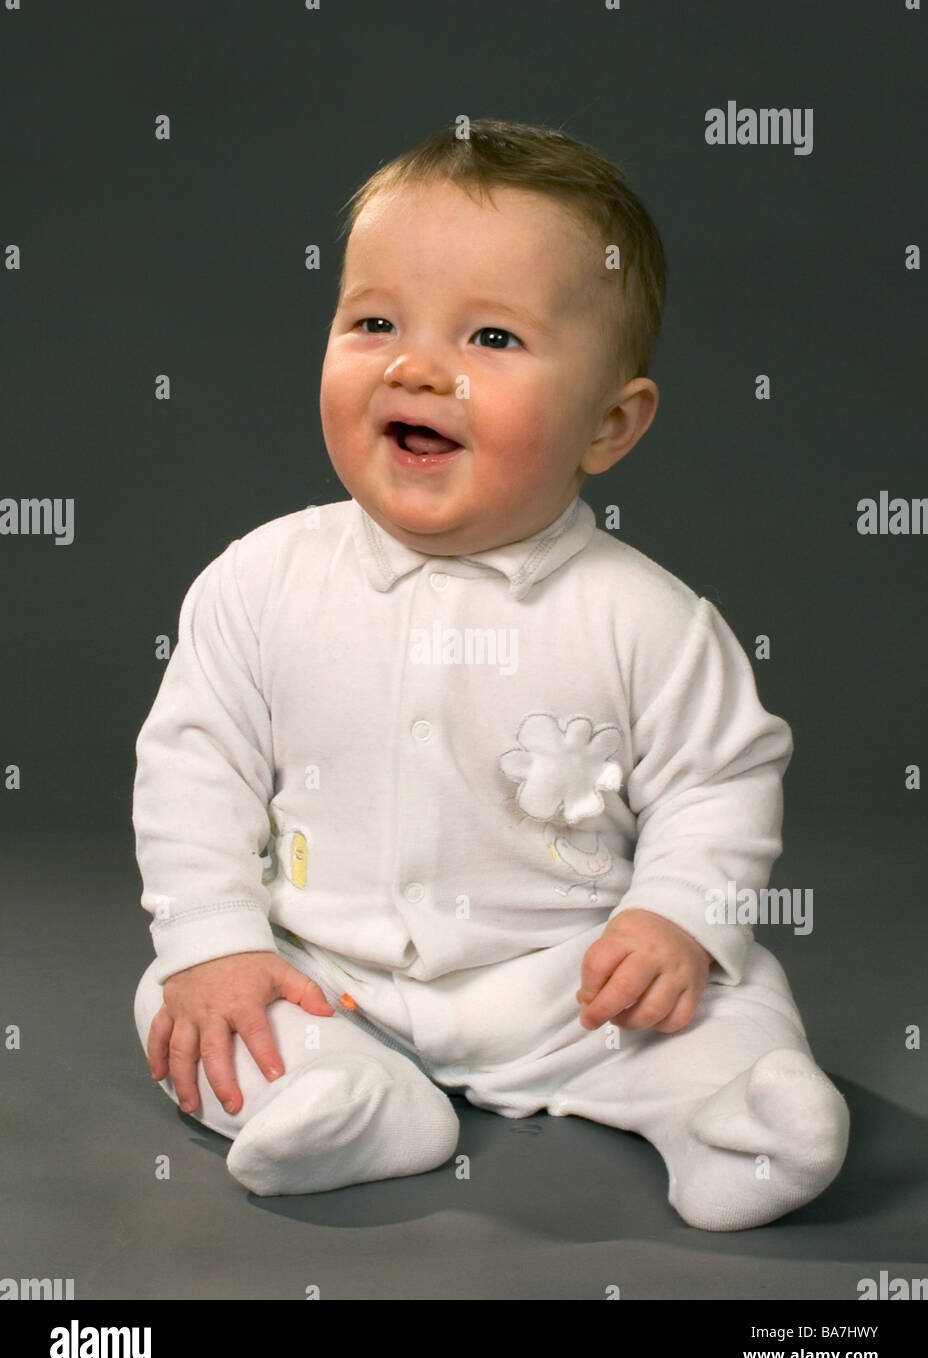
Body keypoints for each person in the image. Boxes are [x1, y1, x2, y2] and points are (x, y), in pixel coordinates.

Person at [132, 118, 849, 1231]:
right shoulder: (259, 580)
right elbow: (193, 769)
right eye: (373, 321)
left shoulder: (645, 617)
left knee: (728, 990)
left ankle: (730, 1121)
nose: (416, 365)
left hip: (568, 981)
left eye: (493, 340)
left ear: (608, 425)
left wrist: (672, 917)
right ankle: (349, 1096)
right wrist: (215, 939)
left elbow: (720, 780)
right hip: (329, 968)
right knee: (183, 993)